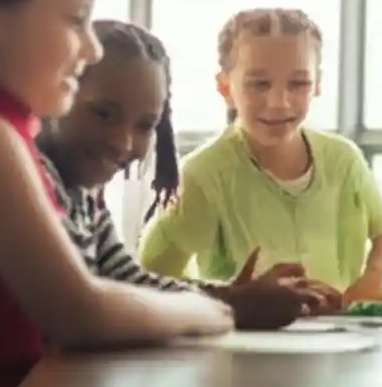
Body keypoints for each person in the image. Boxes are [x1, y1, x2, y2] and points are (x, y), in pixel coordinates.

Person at [0, 0, 230, 387]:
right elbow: (79, 312)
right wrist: (201, 311)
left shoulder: (0, 132)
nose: (92, 47)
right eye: (76, 19)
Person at [39, 19, 328, 329]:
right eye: (103, 114)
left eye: (145, 126)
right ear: (59, 89)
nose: (123, 142)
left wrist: (231, 296)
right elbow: (82, 315)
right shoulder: (34, 180)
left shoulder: (85, 197)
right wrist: (233, 308)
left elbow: (132, 285)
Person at [140, 9, 382, 306]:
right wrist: (231, 297)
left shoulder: (344, 158)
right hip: (244, 339)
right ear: (225, 88)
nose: (278, 103)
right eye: (259, 84)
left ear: (318, 85)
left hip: (339, 335)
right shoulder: (203, 174)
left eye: (298, 84)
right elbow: (150, 273)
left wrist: (371, 279)